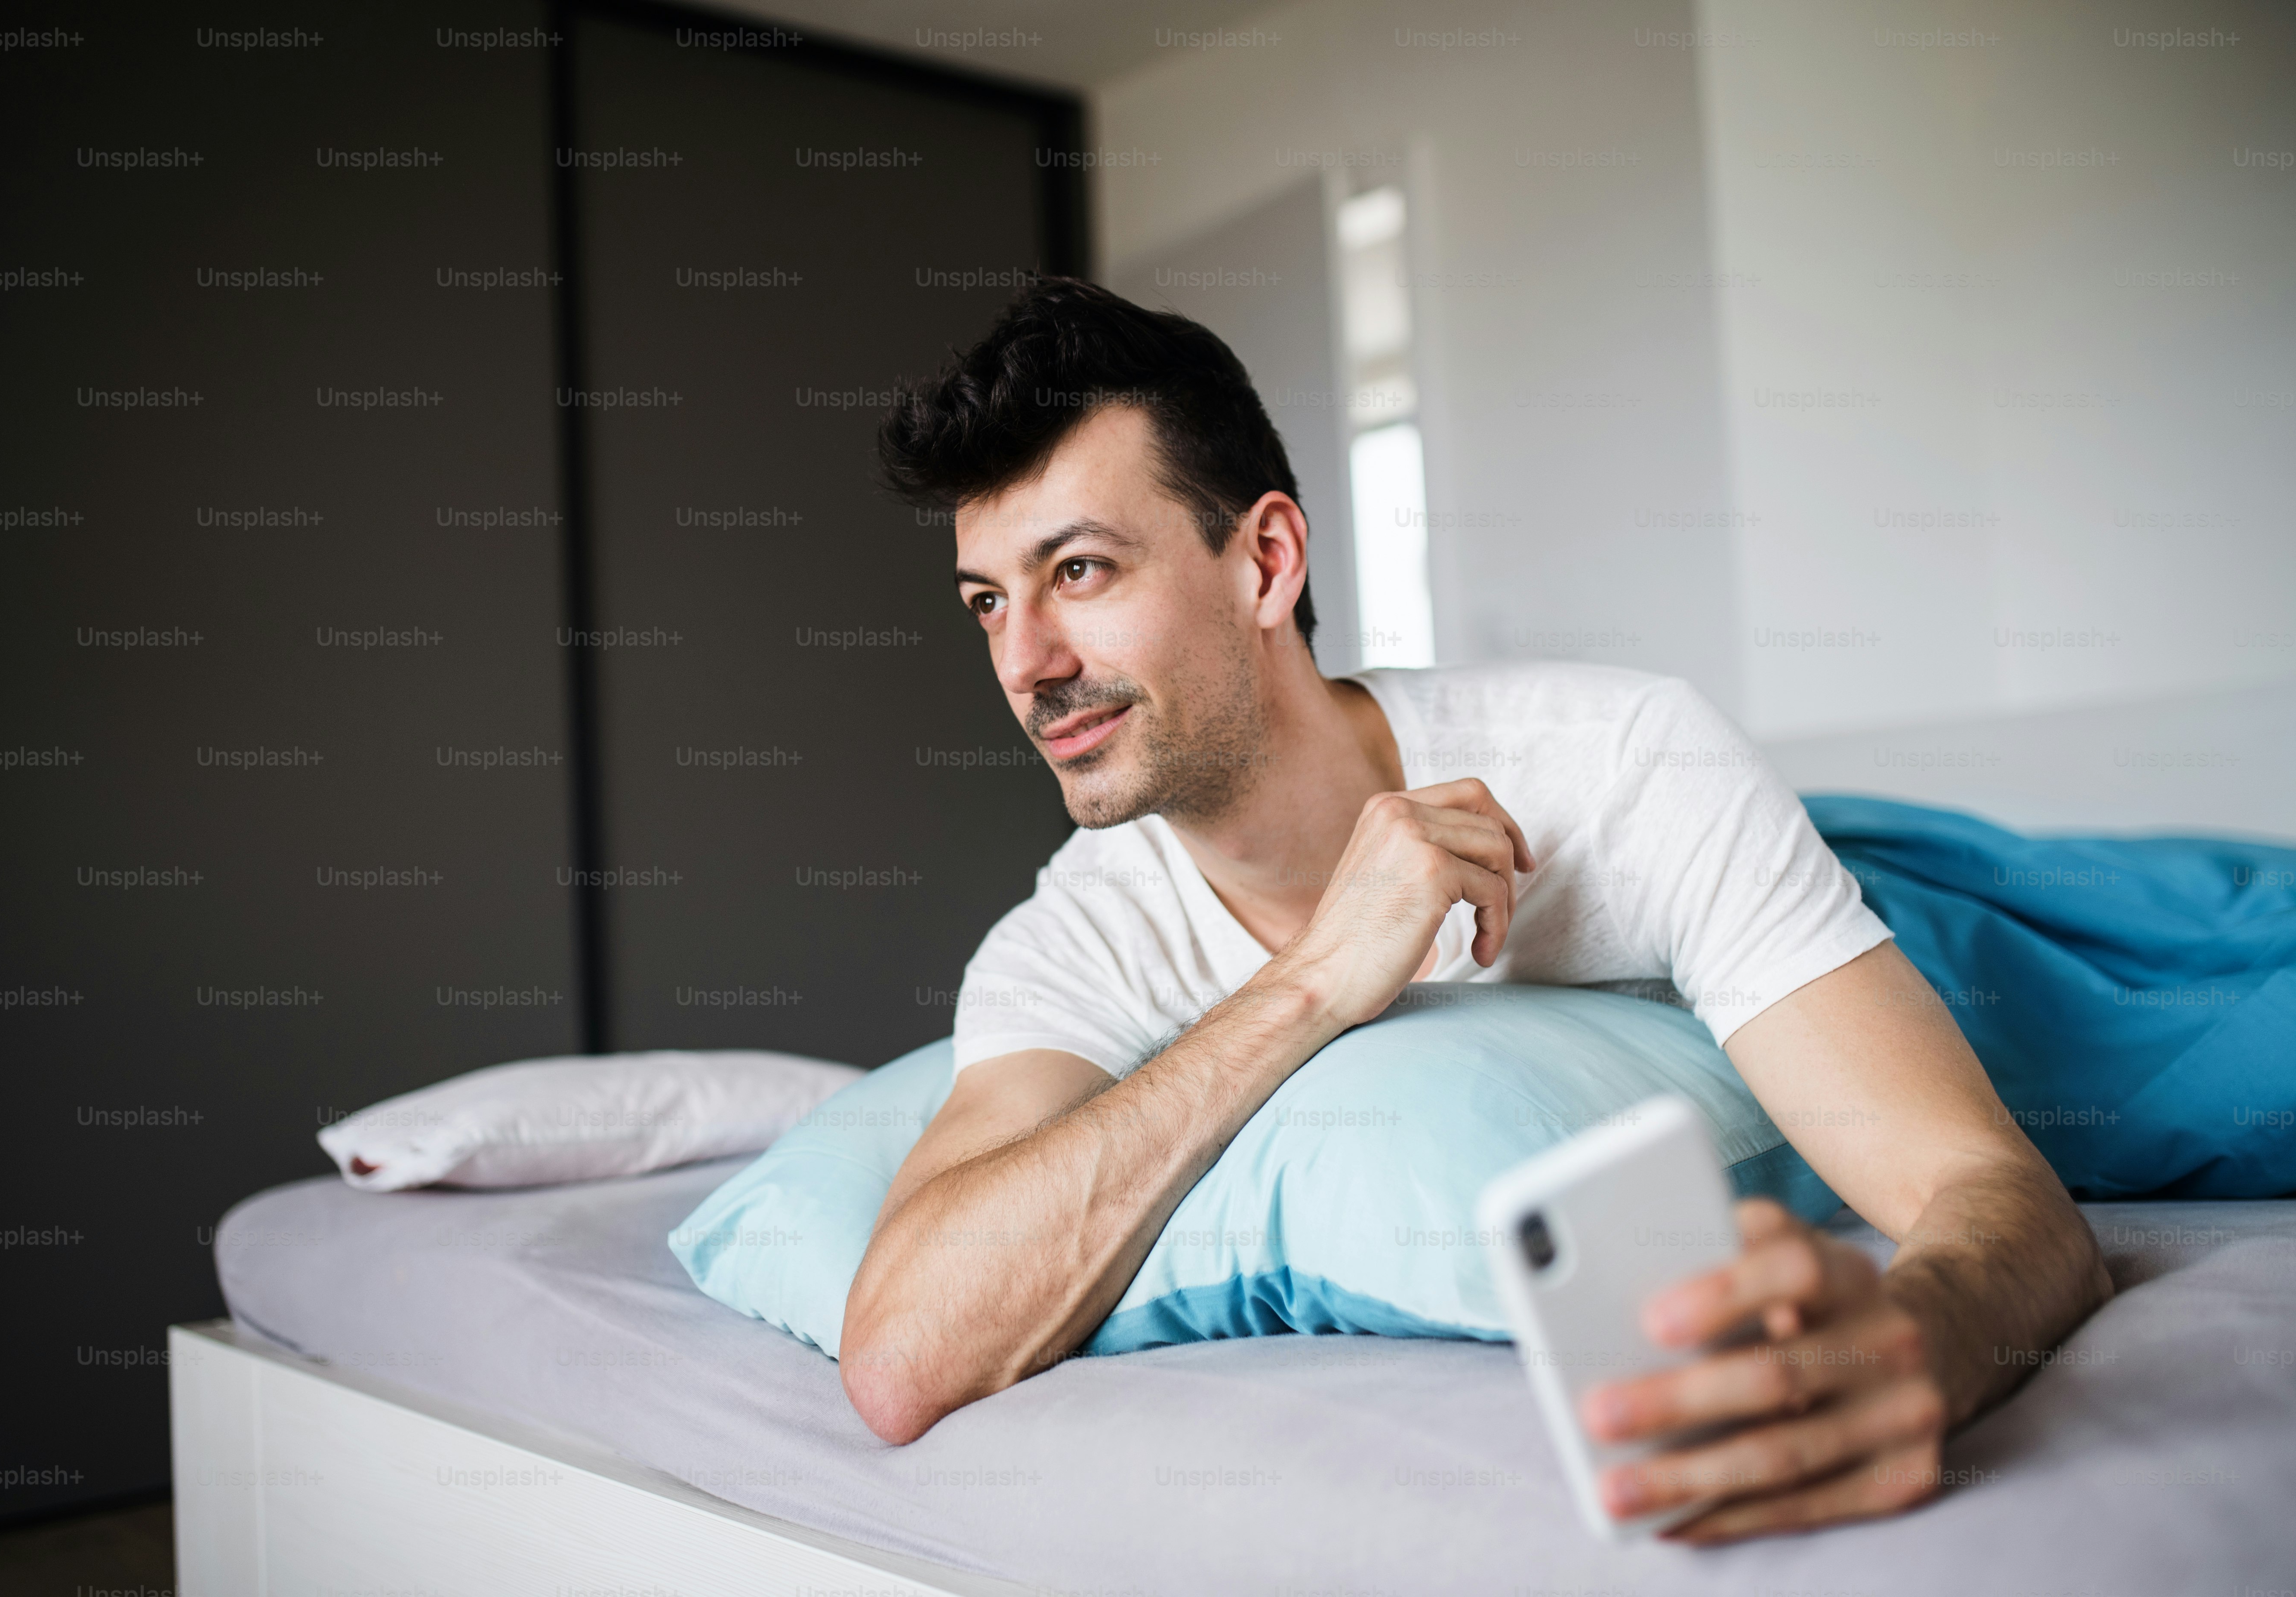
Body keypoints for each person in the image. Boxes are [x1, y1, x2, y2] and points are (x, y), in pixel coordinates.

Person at [842, 277, 2111, 1542]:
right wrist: (1313, 982)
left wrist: (1910, 1347)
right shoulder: (1073, 939)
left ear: (1266, 562)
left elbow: (1992, 1189)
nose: (1026, 665)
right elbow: (900, 1357)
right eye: (988, 602)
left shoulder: (1625, 762)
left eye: (1079, 570)